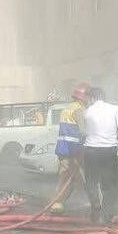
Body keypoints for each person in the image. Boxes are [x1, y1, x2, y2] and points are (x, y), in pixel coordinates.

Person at [82, 87, 118, 226]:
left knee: (91, 181)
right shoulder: (116, 109)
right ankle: (106, 216)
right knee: (109, 185)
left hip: (90, 150)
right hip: (109, 151)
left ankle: (96, 204)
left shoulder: (87, 112)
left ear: (92, 98)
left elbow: (86, 132)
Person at [49, 82, 89, 215]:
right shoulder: (79, 109)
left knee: (66, 177)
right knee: (82, 176)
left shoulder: (67, 108)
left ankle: (58, 202)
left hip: (63, 149)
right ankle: (94, 202)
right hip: (74, 149)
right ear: (85, 97)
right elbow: (83, 131)